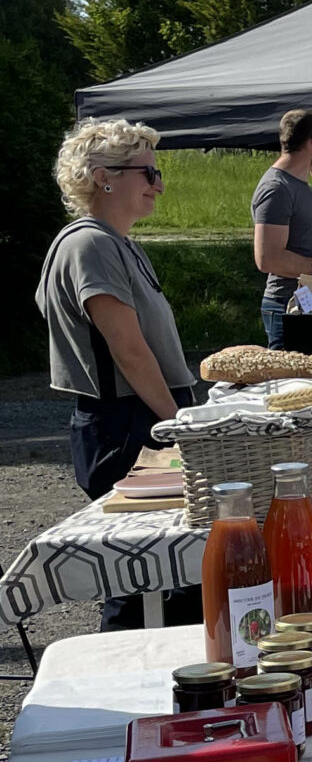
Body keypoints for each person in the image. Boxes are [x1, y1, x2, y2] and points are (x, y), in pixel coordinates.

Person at [36, 120, 202, 627]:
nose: (159, 184)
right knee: (145, 582)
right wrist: (182, 425)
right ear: (104, 177)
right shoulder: (91, 245)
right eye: (148, 172)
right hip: (130, 425)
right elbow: (129, 351)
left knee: (176, 574)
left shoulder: (116, 242)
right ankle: (128, 696)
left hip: (142, 419)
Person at [252, 109, 312, 353]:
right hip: (289, 308)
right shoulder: (277, 188)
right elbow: (268, 259)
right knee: (294, 386)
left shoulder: (304, 187)